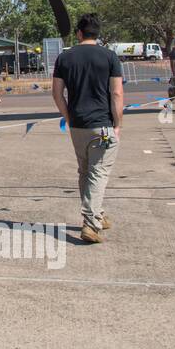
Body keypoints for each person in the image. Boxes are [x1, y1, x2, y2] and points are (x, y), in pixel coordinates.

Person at [52, 13, 124, 243]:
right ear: (97, 34)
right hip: (102, 124)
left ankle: (98, 214)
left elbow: (57, 92)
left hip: (77, 125)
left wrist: (68, 115)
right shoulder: (110, 56)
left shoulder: (64, 58)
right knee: (98, 173)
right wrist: (118, 123)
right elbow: (117, 93)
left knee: (85, 172)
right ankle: (91, 223)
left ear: (79, 33)